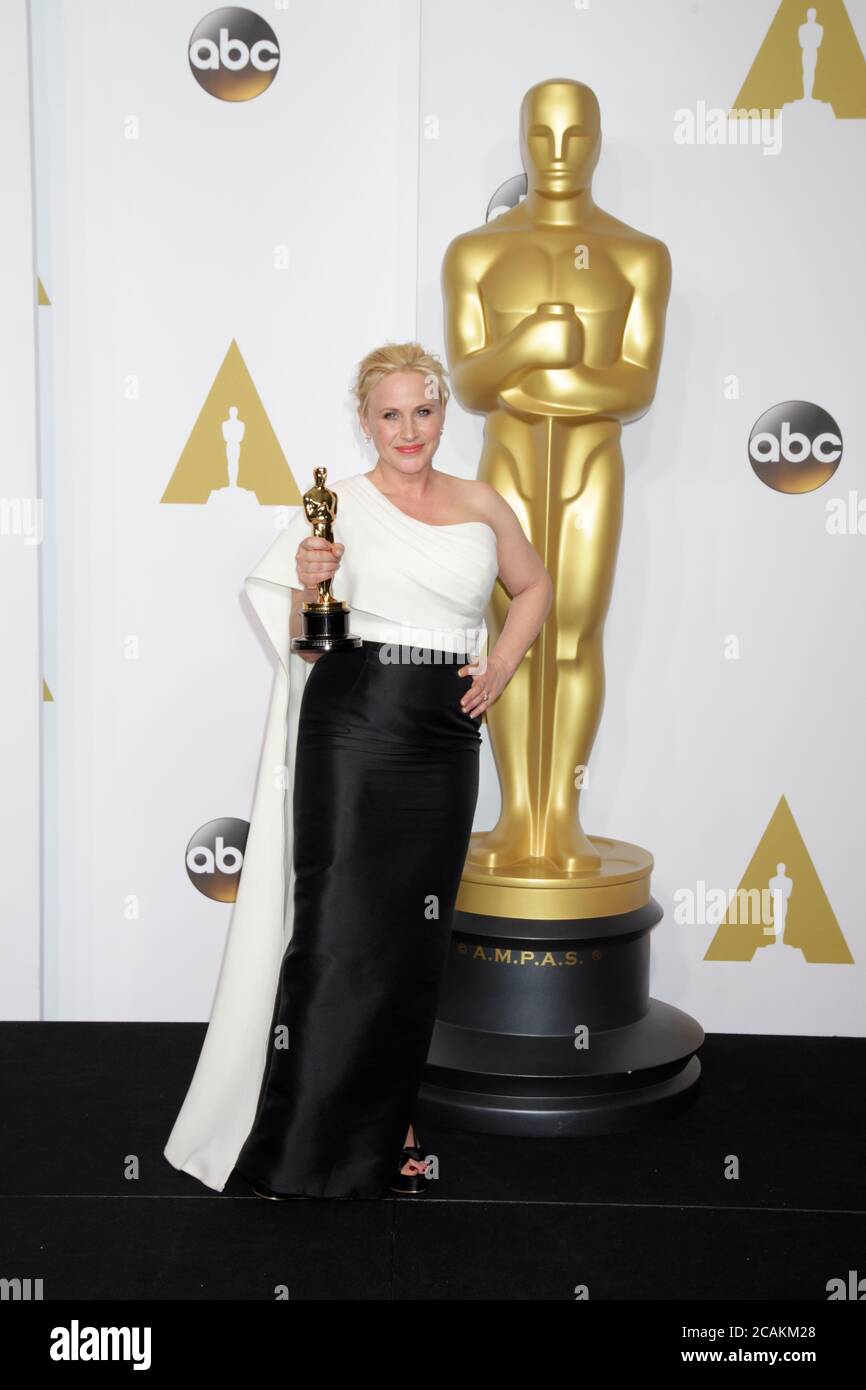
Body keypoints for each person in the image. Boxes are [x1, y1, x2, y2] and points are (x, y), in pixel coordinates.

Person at [164, 342, 552, 1199]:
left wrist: (504, 663)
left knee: (412, 940)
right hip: (357, 720)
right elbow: (308, 637)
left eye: (424, 410)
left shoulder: (484, 502)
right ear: (366, 420)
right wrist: (309, 584)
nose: (409, 430)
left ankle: (394, 1122)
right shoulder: (337, 507)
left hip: (446, 735)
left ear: (444, 412)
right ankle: (305, 1140)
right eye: (391, 414)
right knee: (340, 932)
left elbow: (534, 586)